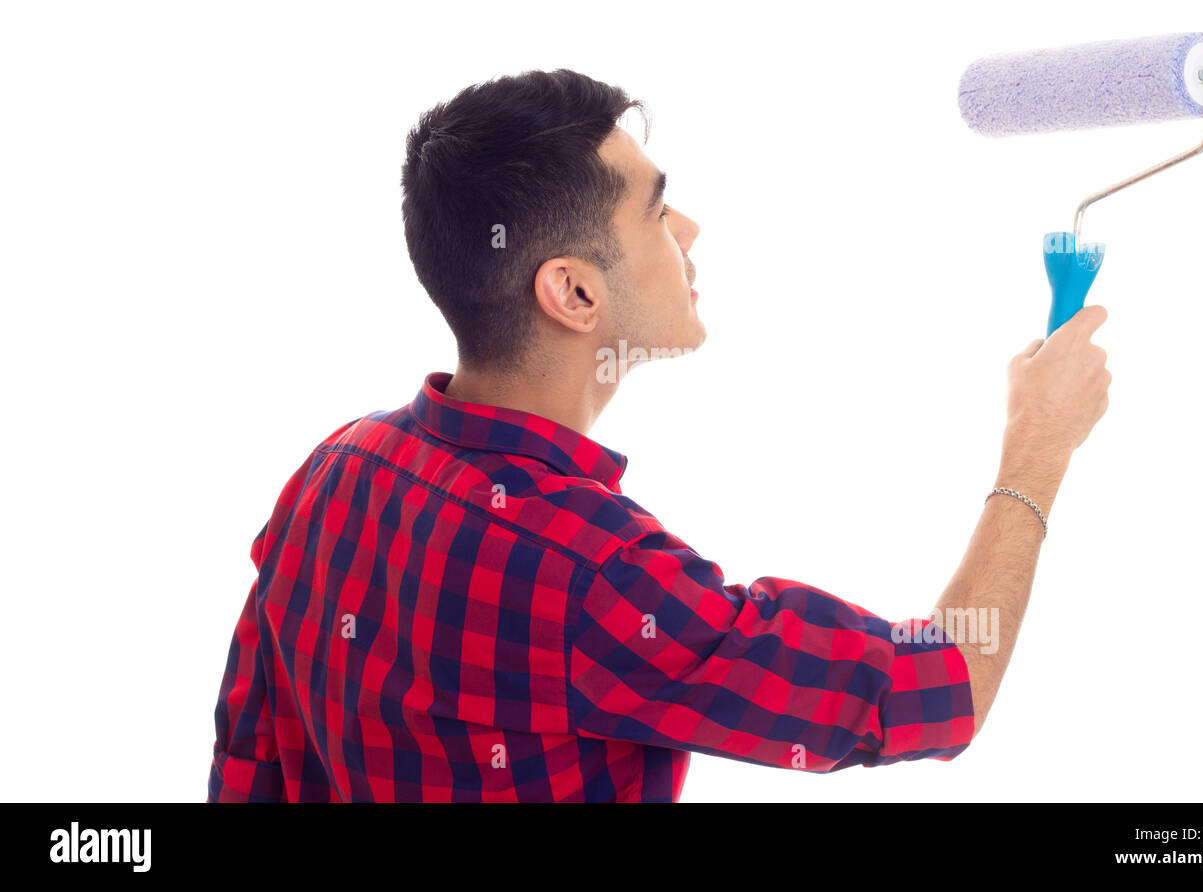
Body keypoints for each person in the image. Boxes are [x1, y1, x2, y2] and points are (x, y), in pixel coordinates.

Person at [208, 69, 1110, 802]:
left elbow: (249, 762)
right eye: (653, 209)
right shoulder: (593, 579)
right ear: (574, 293)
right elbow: (939, 687)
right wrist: (1037, 444)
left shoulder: (332, 471)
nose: (689, 229)